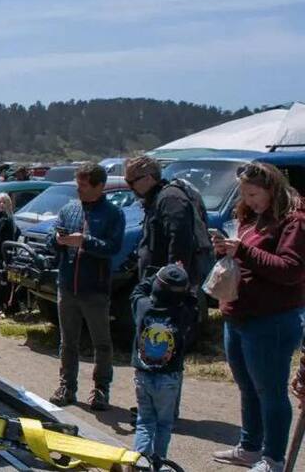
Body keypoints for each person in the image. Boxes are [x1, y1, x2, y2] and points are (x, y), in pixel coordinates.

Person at [211, 163, 305, 472]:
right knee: (248, 387)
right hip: (239, 316)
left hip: (271, 321)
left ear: (272, 189)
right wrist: (225, 250)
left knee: (271, 391)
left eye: (253, 194)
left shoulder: (294, 222)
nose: (248, 200)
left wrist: (243, 253)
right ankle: (250, 448)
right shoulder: (252, 218)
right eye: (244, 194)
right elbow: (247, 260)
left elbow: (290, 270)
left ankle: (273, 459)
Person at [48, 163, 125, 410]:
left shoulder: (113, 214)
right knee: (67, 341)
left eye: (83, 185)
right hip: (68, 285)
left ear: (99, 186)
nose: (78, 190)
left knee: (101, 343)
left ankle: (101, 390)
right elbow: (53, 240)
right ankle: (67, 387)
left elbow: (113, 248)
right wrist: (58, 239)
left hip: (95, 288)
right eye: (77, 184)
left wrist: (85, 242)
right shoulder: (70, 209)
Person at [131, 264, 197, 466]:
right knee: (164, 423)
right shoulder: (183, 313)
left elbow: (137, 290)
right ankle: (158, 463)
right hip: (169, 378)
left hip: (143, 375)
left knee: (144, 421)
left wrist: (155, 275)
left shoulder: (142, 306)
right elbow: (193, 300)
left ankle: (140, 463)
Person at [125, 155, 214, 286]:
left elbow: (180, 241)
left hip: (168, 285)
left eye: (131, 182)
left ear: (148, 178)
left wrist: (171, 280)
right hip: (156, 280)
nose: (130, 187)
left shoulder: (170, 199)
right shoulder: (156, 200)